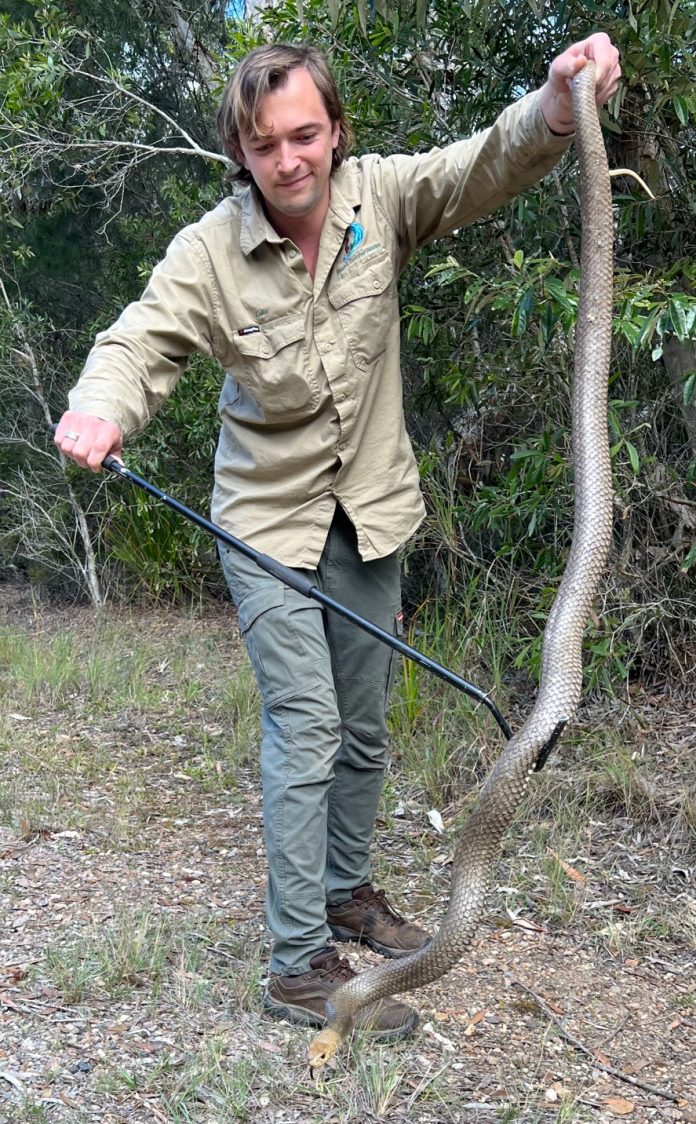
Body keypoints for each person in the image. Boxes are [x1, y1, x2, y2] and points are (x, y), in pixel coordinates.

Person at [55, 33, 621, 1039]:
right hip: (266, 524)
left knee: (364, 726)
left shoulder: (382, 198)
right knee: (307, 724)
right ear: (243, 150)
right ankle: (294, 963)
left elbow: (477, 164)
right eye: (267, 142)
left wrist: (553, 114)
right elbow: (138, 340)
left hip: (371, 510)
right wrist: (101, 408)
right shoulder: (209, 254)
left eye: (305, 134)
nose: (289, 159)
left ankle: (344, 891)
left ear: (334, 131)